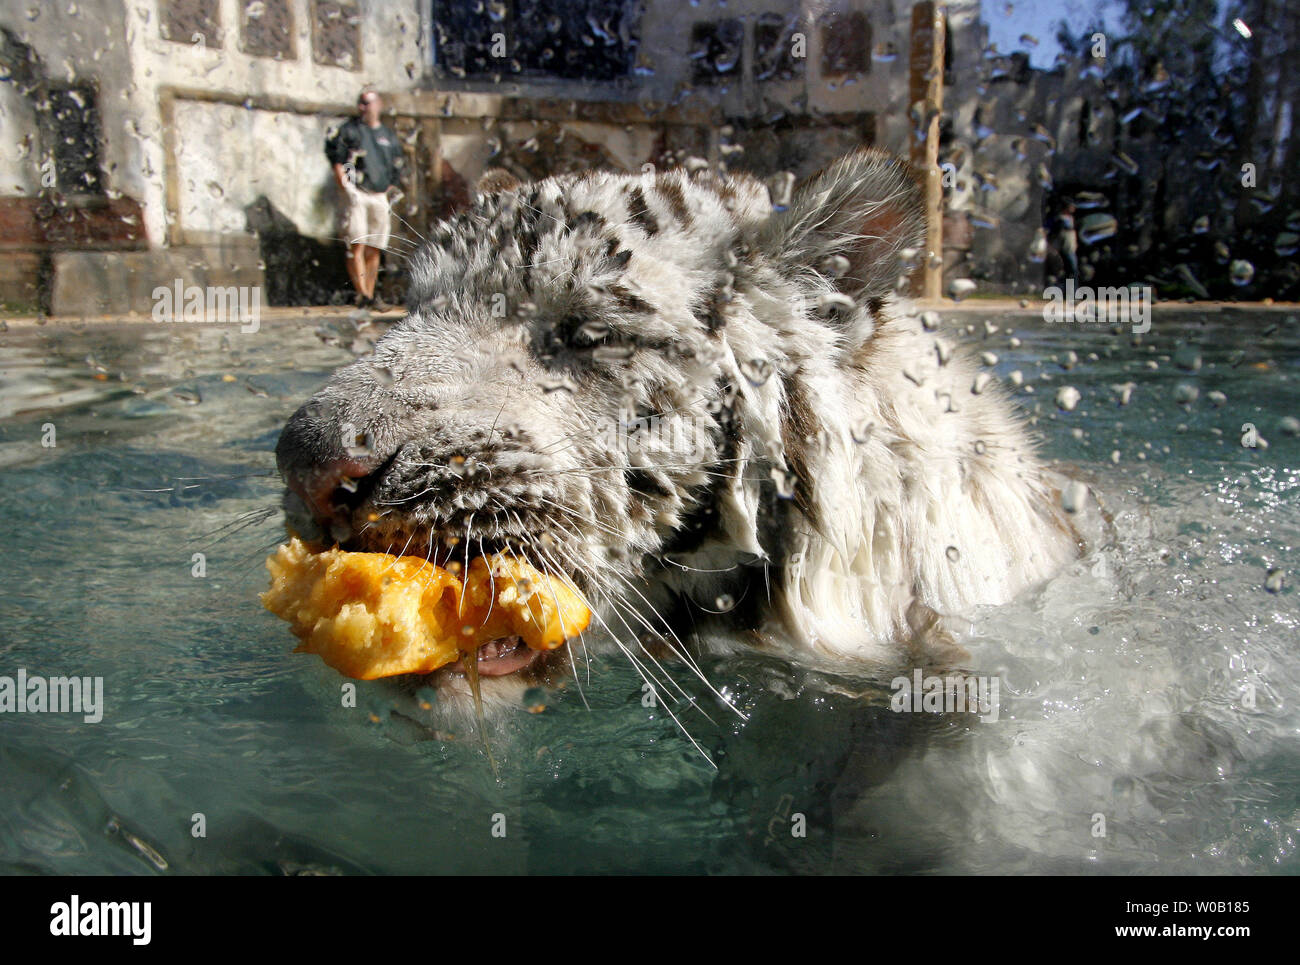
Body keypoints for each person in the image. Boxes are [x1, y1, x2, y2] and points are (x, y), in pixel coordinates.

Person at [325, 89, 403, 310]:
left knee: (375, 247)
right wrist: (346, 185)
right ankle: (362, 294)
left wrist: (390, 187)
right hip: (357, 193)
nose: (362, 107)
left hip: (379, 195)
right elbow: (337, 159)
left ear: (377, 105)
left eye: (366, 103)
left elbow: (397, 164)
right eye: (360, 103)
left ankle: (369, 294)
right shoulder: (350, 130)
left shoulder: (387, 136)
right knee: (356, 243)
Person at [1056, 202, 1079, 280]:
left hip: (1070, 244)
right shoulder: (1061, 218)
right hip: (1067, 245)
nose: (1074, 209)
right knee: (1072, 265)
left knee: (1072, 265)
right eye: (1071, 207)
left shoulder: (1070, 218)